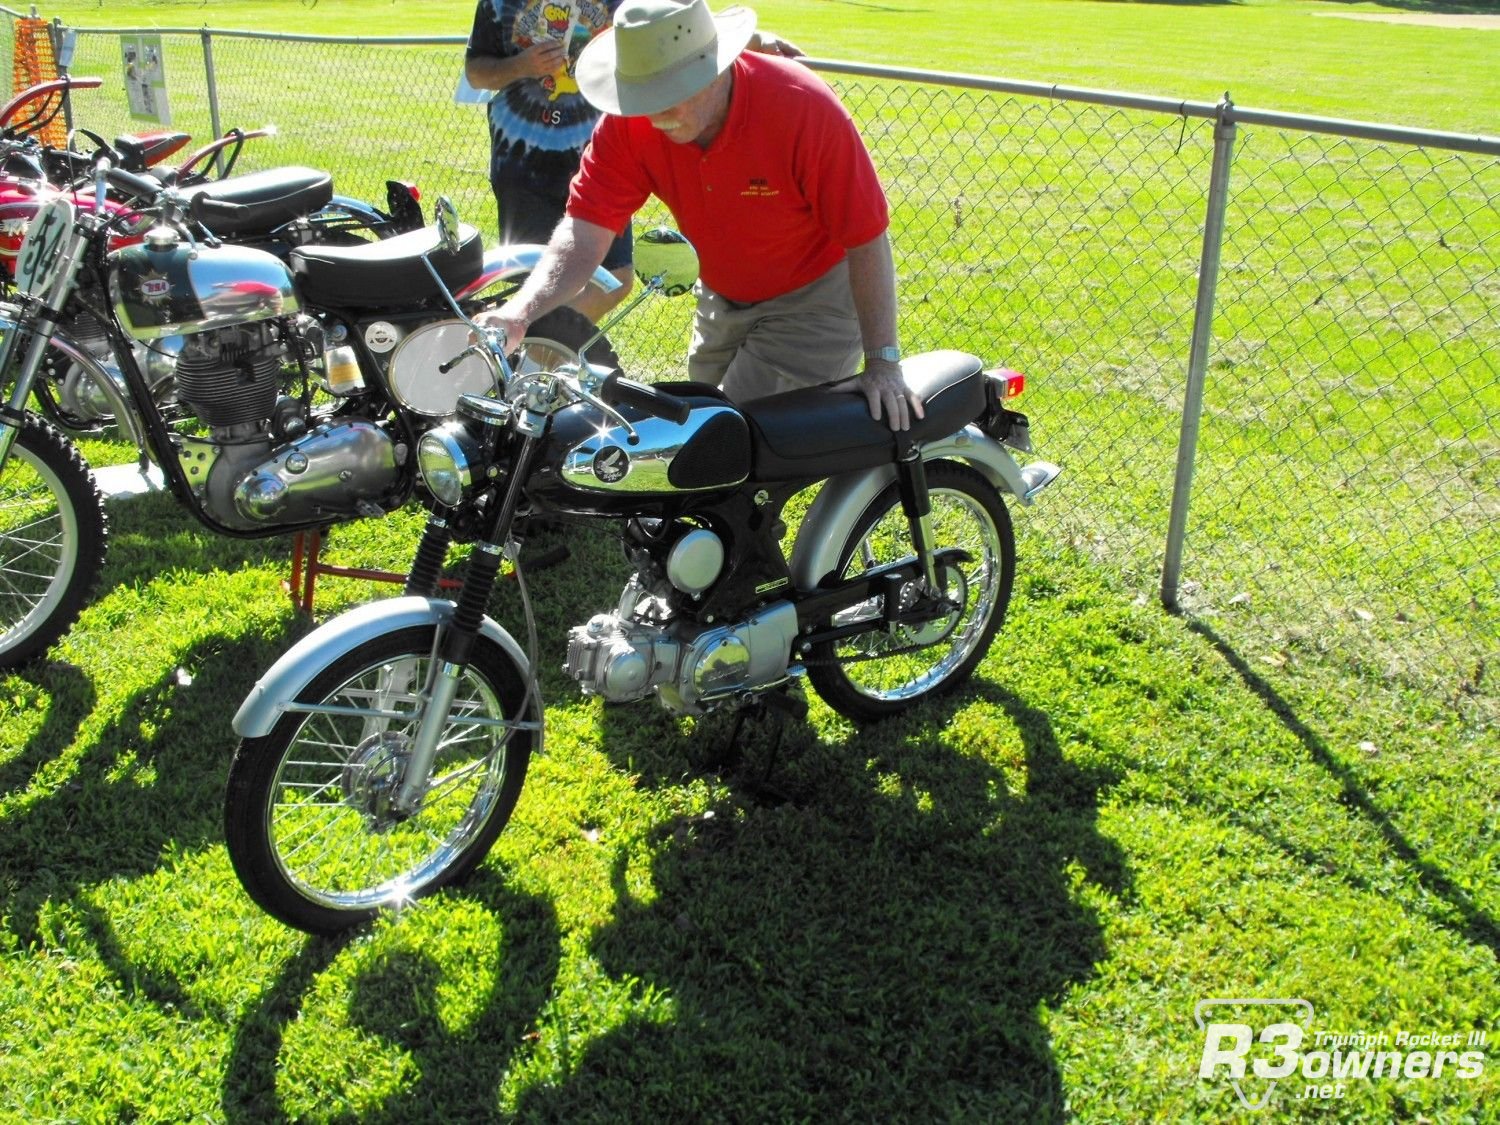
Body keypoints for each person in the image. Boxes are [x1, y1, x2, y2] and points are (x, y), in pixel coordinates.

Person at [479, 0, 924, 432]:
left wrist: (883, 362)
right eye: (642, 93)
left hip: (813, 299)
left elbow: (867, 237)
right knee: (689, 427)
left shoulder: (802, 107)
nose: (655, 113)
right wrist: (519, 312)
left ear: (716, 67)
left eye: (668, 94)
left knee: (733, 437)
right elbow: (583, 232)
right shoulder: (629, 122)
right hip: (721, 295)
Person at [464, 0, 801, 325]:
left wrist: (753, 40)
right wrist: (520, 66)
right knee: (538, 278)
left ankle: (537, 352)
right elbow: (476, 73)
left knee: (614, 278)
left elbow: (680, 28)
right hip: (525, 164)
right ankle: (530, 351)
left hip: (602, 158)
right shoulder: (497, 3)